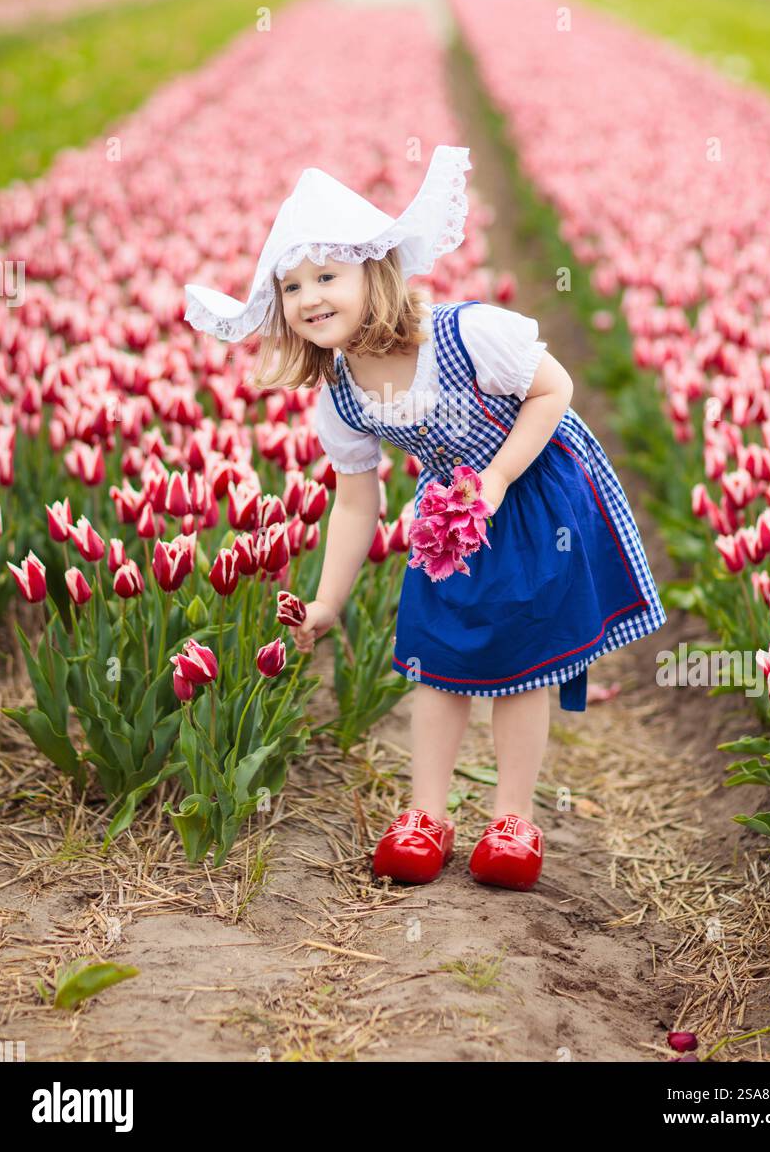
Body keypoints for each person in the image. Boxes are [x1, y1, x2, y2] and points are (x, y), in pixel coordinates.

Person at [184, 145, 667, 892]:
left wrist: (500, 478)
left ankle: (513, 819)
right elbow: (356, 499)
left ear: (374, 274)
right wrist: (326, 603)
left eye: (326, 276)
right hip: (449, 518)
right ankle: (426, 814)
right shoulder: (340, 392)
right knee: (436, 659)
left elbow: (556, 389)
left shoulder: (467, 333)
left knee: (520, 662)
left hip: (534, 495)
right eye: (291, 286)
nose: (309, 296)